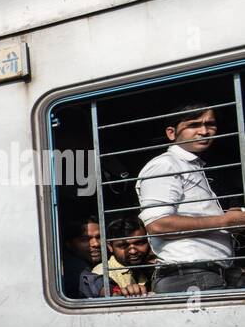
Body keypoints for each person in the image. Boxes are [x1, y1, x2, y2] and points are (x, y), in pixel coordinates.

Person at [135, 104, 245, 293]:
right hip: (190, 275)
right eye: (194, 125)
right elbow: (158, 224)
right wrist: (225, 221)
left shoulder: (194, 166)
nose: (204, 131)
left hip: (208, 274)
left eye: (210, 124)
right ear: (171, 133)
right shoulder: (165, 165)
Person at [80, 217, 157, 298]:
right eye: (123, 246)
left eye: (139, 243)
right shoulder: (102, 273)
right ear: (110, 246)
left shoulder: (151, 267)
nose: (133, 251)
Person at [60, 217, 103, 299]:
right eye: (85, 239)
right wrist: (113, 290)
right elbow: (87, 280)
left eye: (99, 237)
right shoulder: (71, 266)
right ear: (69, 244)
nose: (96, 244)